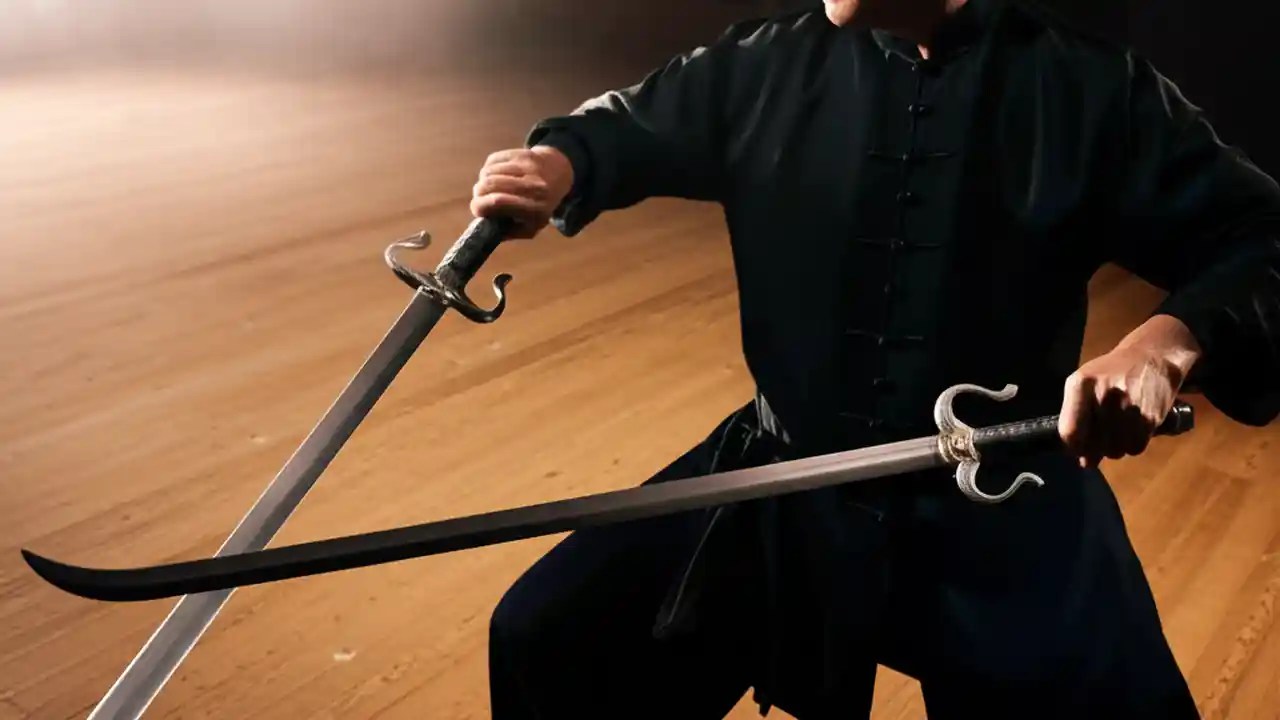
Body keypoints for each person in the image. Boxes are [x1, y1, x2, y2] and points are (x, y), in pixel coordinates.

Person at [469, 0, 1280, 717]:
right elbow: (631, 122)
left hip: (1005, 501)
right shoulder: (768, 63)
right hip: (786, 484)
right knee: (550, 640)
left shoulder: (1091, 90)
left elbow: (1264, 238)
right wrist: (556, 163)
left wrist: (1165, 343)